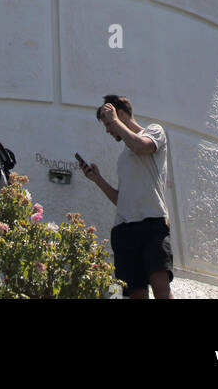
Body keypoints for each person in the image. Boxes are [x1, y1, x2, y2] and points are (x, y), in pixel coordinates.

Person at [80, 94, 174, 300]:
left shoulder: (154, 131)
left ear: (120, 113)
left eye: (108, 123)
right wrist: (98, 180)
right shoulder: (123, 158)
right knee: (136, 294)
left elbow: (141, 146)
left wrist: (114, 121)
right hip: (124, 230)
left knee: (161, 289)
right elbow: (122, 200)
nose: (107, 129)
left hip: (152, 223)